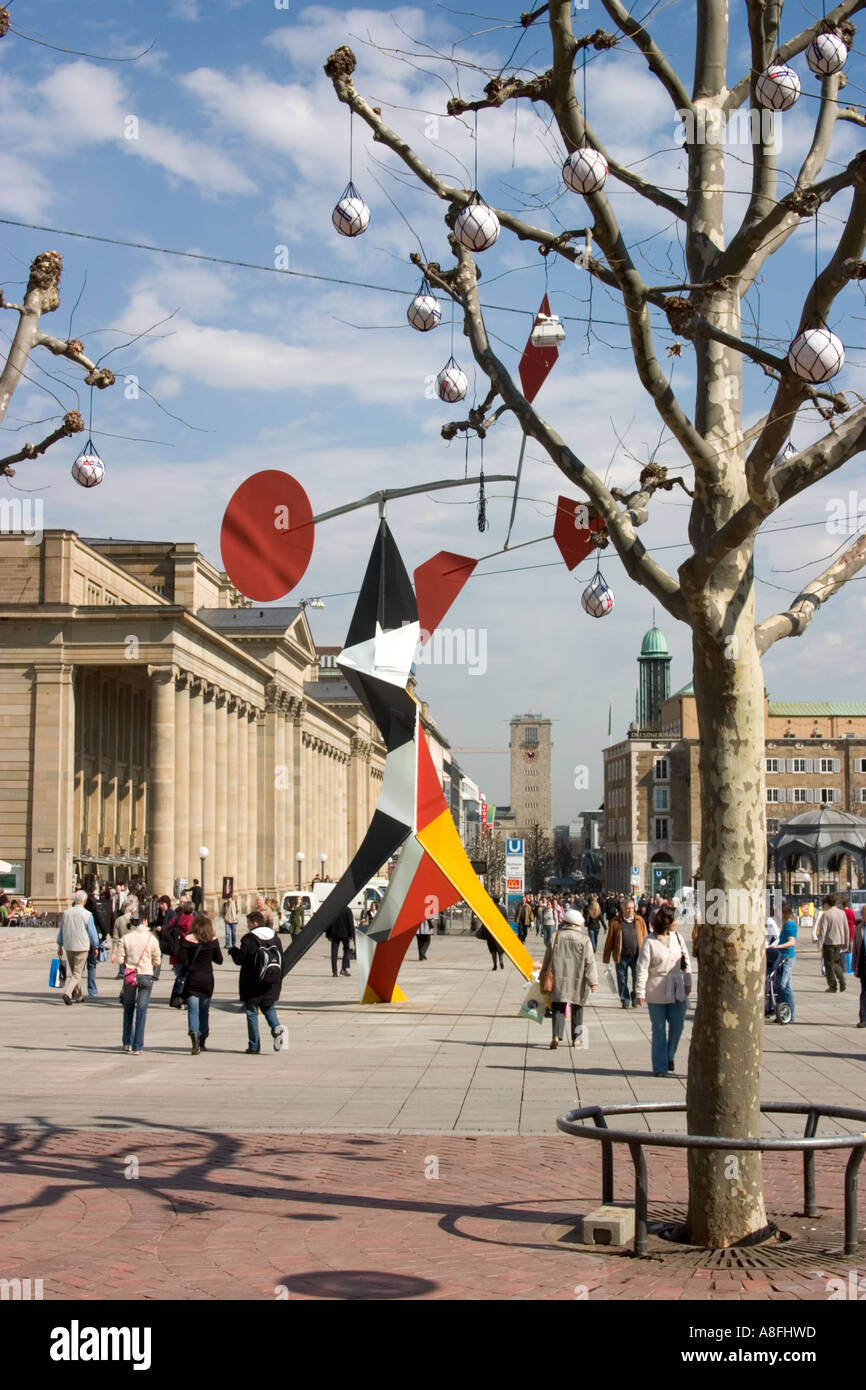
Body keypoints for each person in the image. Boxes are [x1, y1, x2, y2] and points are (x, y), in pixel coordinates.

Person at [634, 904, 692, 1076]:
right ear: (666, 921)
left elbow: (686, 962)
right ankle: (659, 1066)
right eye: (673, 920)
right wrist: (640, 991)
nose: (676, 923)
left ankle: (669, 1055)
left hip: (676, 987)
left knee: (677, 1026)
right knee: (658, 1029)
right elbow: (642, 968)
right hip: (656, 989)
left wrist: (688, 982)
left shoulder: (678, 938)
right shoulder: (650, 941)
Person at [229, 909, 288, 1054]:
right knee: (269, 1007)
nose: (248, 926)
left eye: (249, 923)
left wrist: (233, 951)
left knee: (251, 1013)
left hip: (253, 983)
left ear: (255, 923)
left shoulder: (249, 939)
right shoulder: (275, 937)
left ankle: (254, 1046)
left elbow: (240, 960)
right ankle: (277, 1028)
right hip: (272, 981)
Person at [541, 908, 597, 1050]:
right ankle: (577, 1039)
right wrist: (593, 981)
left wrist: (542, 974)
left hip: (558, 977)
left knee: (558, 1006)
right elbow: (590, 962)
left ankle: (556, 1035)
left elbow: (547, 958)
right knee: (577, 1006)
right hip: (577, 979)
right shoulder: (584, 940)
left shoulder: (556, 936)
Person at [177, 914, 223, 1054]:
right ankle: (203, 1038)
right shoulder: (212, 941)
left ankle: (194, 1037)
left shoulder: (188, 940)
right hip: (207, 980)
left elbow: (182, 959)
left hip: (192, 979)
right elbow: (219, 960)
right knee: (204, 1011)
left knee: (193, 1010)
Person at [117, 910, 161, 1054]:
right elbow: (157, 960)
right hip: (146, 975)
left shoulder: (126, 938)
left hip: (130, 975)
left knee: (128, 1008)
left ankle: (126, 1042)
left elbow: (120, 959)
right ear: (145, 922)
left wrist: (128, 964)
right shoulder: (152, 939)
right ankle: (138, 1046)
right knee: (141, 1011)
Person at [56, 890, 100, 1004]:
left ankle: (79, 996)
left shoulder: (66, 913)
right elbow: (92, 933)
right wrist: (95, 946)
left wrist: (59, 944)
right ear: (84, 901)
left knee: (76, 972)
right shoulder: (87, 914)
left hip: (69, 945)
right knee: (77, 973)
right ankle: (68, 993)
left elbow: (61, 930)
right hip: (82, 946)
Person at [603, 898, 648, 1009]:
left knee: (636, 977)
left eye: (632, 908)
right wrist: (606, 957)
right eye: (627, 908)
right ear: (622, 909)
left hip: (637, 955)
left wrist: (648, 953)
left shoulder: (639, 921)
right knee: (622, 978)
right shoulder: (615, 922)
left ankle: (634, 998)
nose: (630, 910)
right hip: (621, 955)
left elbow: (646, 937)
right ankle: (625, 999)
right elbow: (610, 940)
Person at [816, 894, 848, 994]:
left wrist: (819, 944)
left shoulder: (826, 914)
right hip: (839, 941)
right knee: (836, 962)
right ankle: (841, 980)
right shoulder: (842, 913)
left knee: (829, 964)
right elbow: (846, 928)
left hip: (829, 942)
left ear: (827, 903)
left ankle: (833, 986)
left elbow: (823, 931)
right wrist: (846, 942)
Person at [775, 901, 798, 1022]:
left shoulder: (790, 925)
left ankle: (790, 1012)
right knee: (783, 984)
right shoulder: (784, 925)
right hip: (782, 957)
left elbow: (791, 942)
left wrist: (777, 947)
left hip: (787, 957)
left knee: (784, 985)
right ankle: (783, 1010)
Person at [327, 905, 355, 977]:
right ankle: (343, 969)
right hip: (345, 934)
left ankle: (334, 972)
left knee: (334, 952)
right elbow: (350, 923)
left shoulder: (333, 909)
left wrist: (328, 934)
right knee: (346, 950)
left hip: (334, 933)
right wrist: (351, 935)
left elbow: (328, 922)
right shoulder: (347, 910)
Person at [852, 905, 866, 1029]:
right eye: (862, 913)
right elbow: (855, 949)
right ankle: (863, 1019)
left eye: (864, 913)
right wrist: (854, 966)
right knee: (864, 992)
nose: (862, 915)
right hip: (863, 964)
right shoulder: (859, 928)